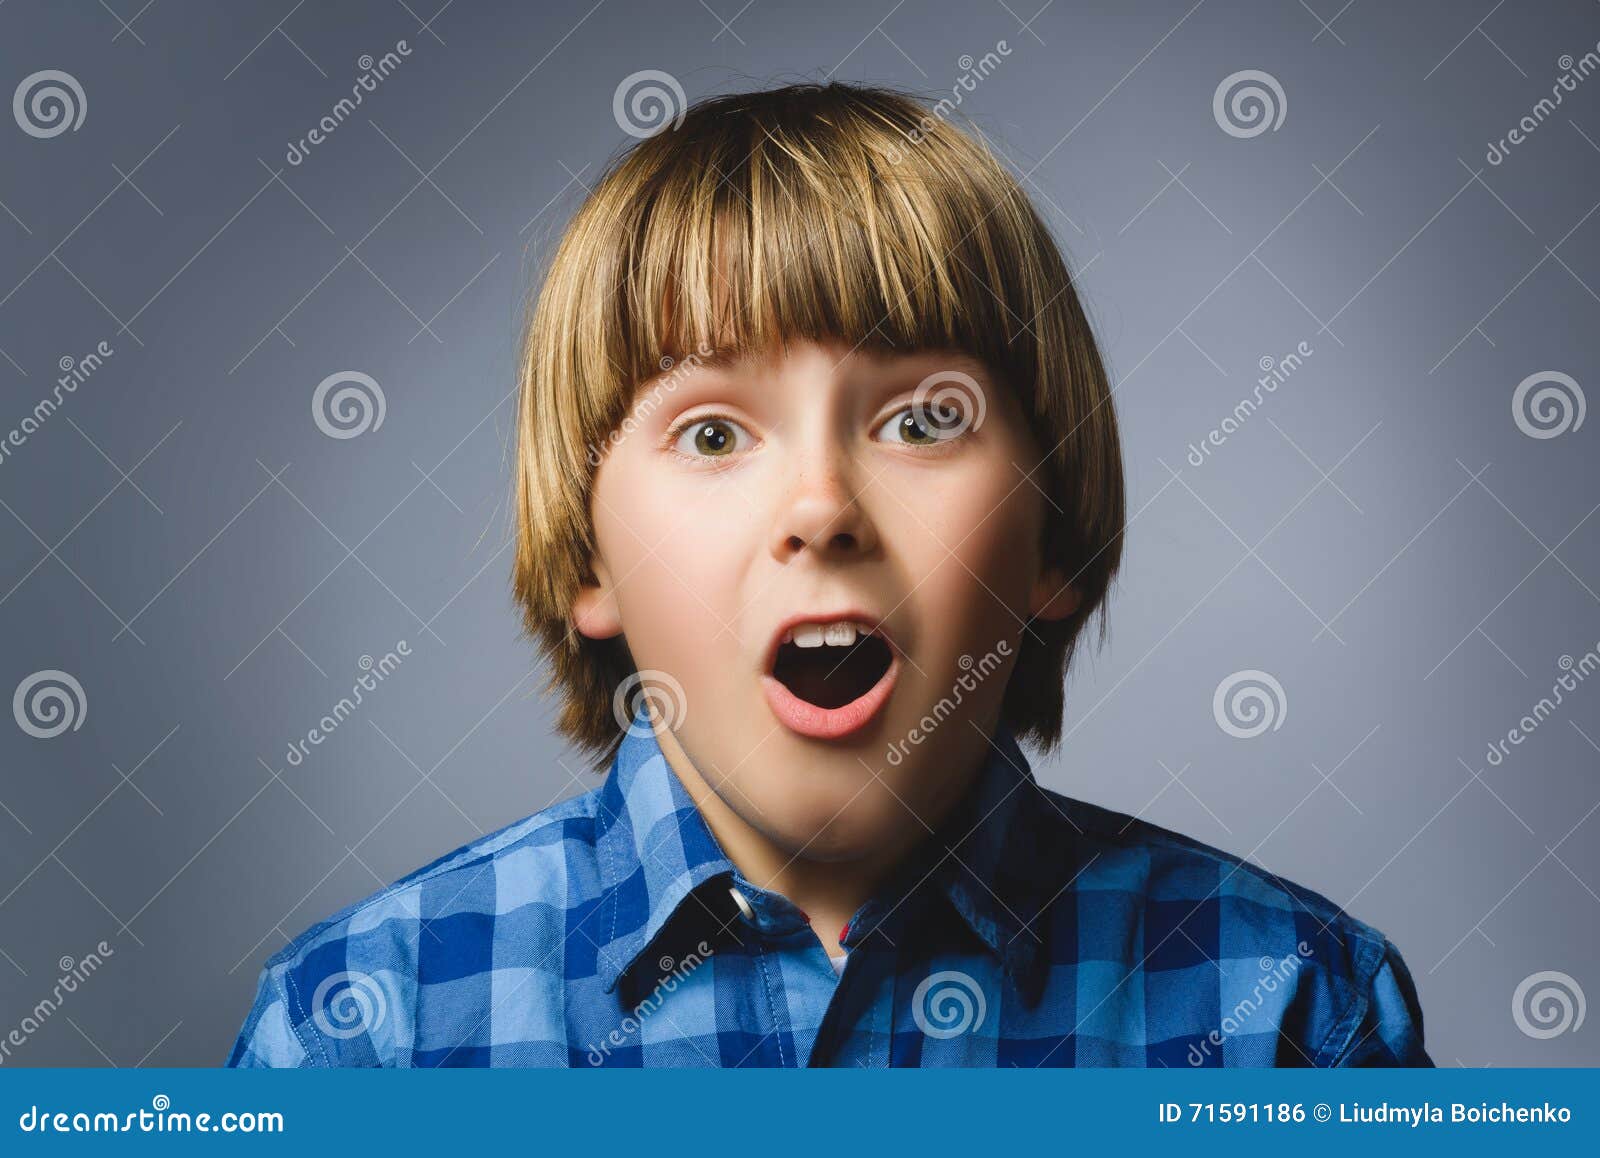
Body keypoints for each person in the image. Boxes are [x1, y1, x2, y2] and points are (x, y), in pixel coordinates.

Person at [227, 81, 1430, 1067]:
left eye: (921, 421)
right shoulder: (364, 1029)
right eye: (712, 434)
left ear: (1052, 539)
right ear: (591, 560)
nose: (821, 509)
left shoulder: (1290, 1014)